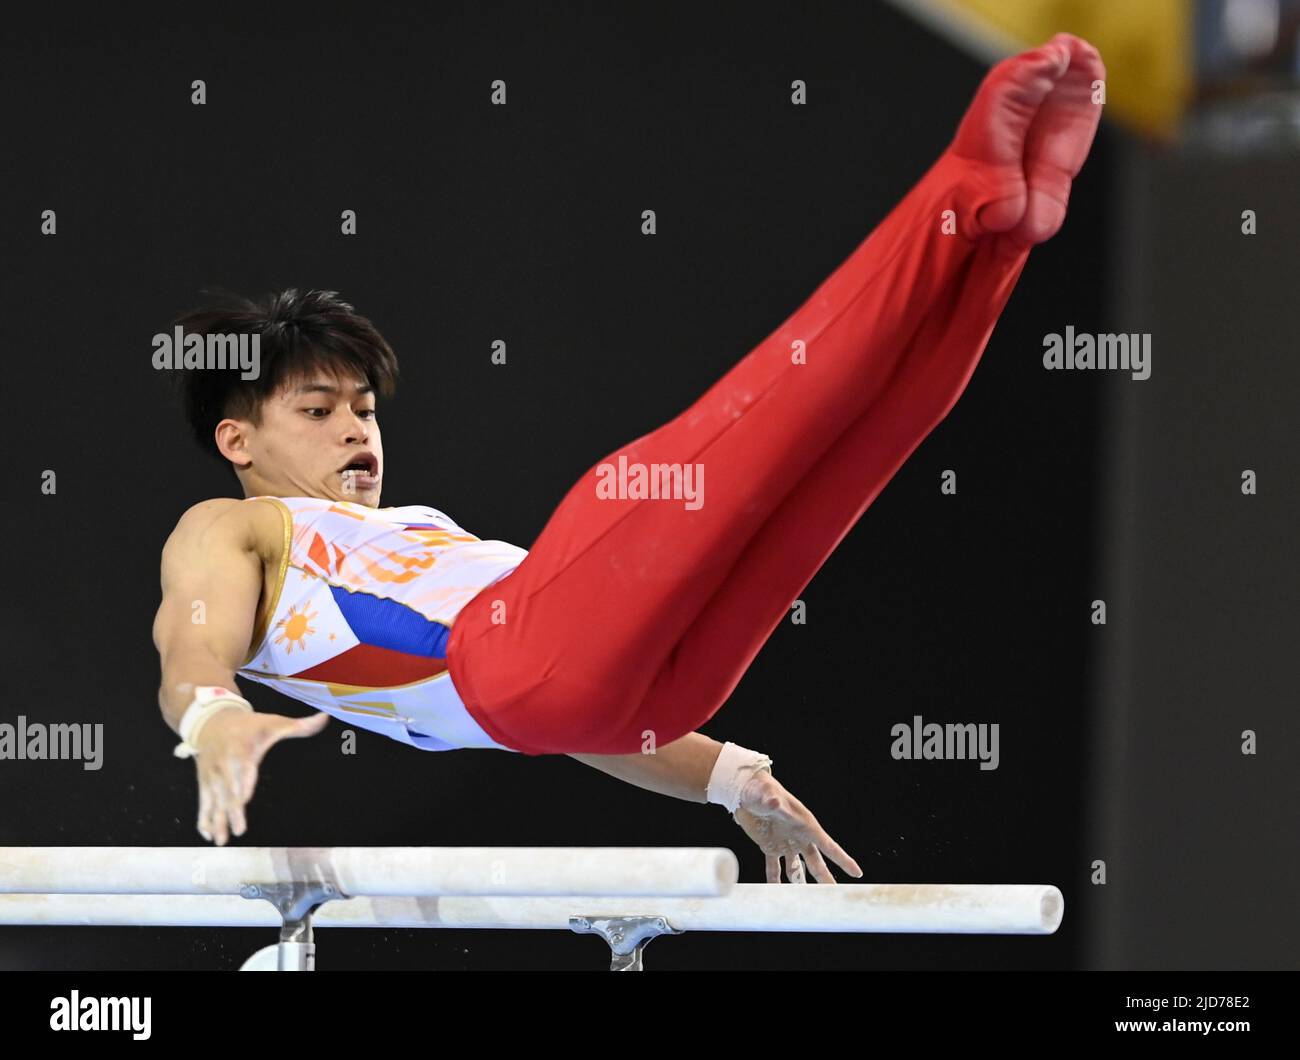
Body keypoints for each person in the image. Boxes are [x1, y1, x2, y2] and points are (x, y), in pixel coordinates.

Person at [154, 33, 1104, 882]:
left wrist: (735, 781)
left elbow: (575, 712)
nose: (357, 429)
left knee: (850, 453)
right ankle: (966, 194)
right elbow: (193, 643)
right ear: (236, 441)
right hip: (520, 666)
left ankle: (1007, 234)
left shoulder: (412, 531)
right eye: (318, 410)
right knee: (775, 409)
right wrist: (213, 718)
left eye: (364, 408)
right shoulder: (232, 527)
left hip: (629, 698)